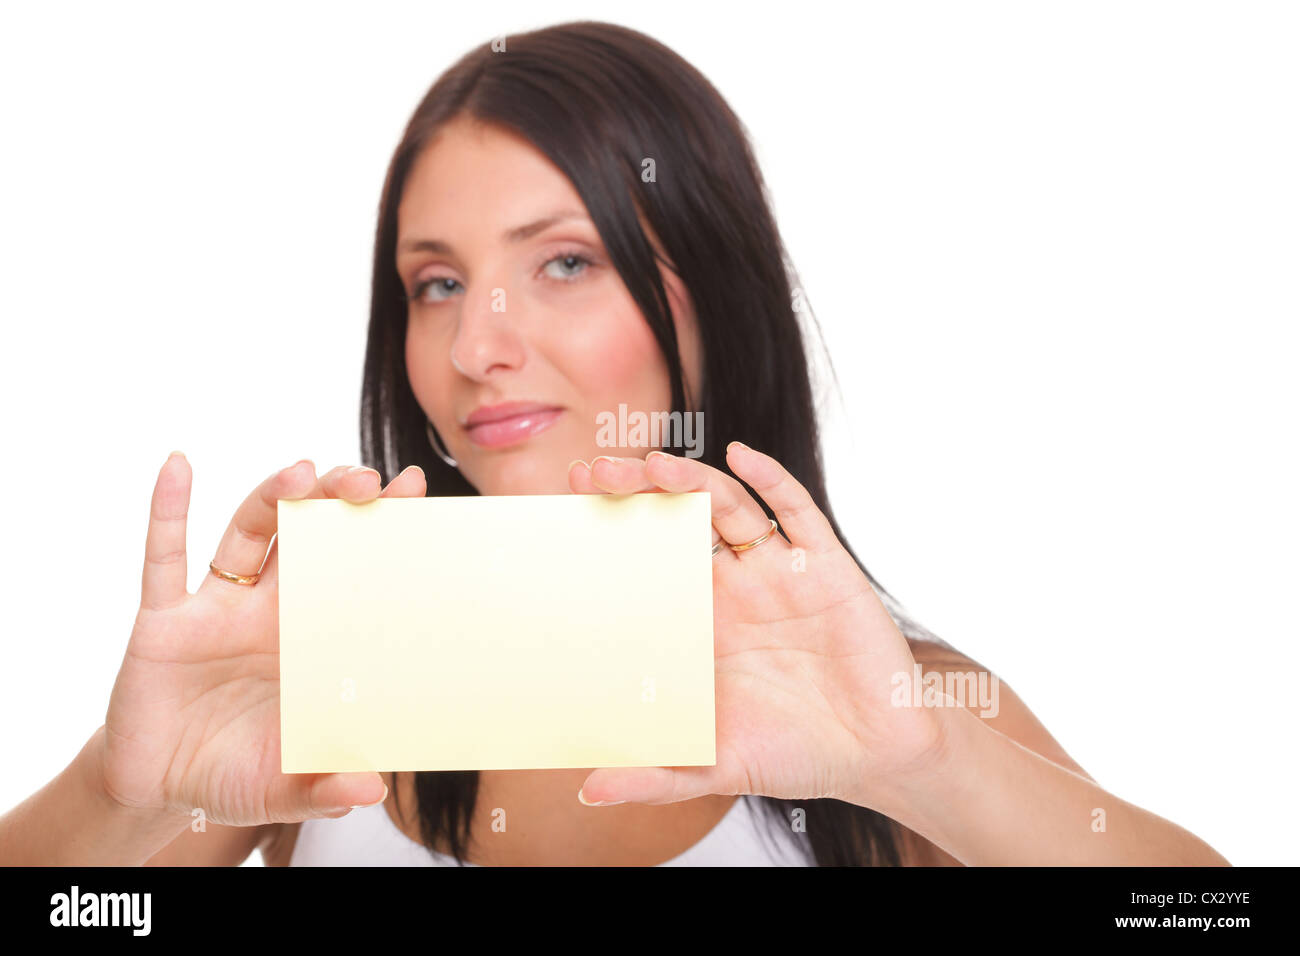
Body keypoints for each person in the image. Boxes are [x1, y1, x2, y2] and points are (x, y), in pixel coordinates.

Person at [0, 20, 1228, 867]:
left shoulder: (892, 704)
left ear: (714, 296)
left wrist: (930, 765)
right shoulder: (323, 673)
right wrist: (117, 788)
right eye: (434, 282)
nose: (477, 344)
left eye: (566, 261)